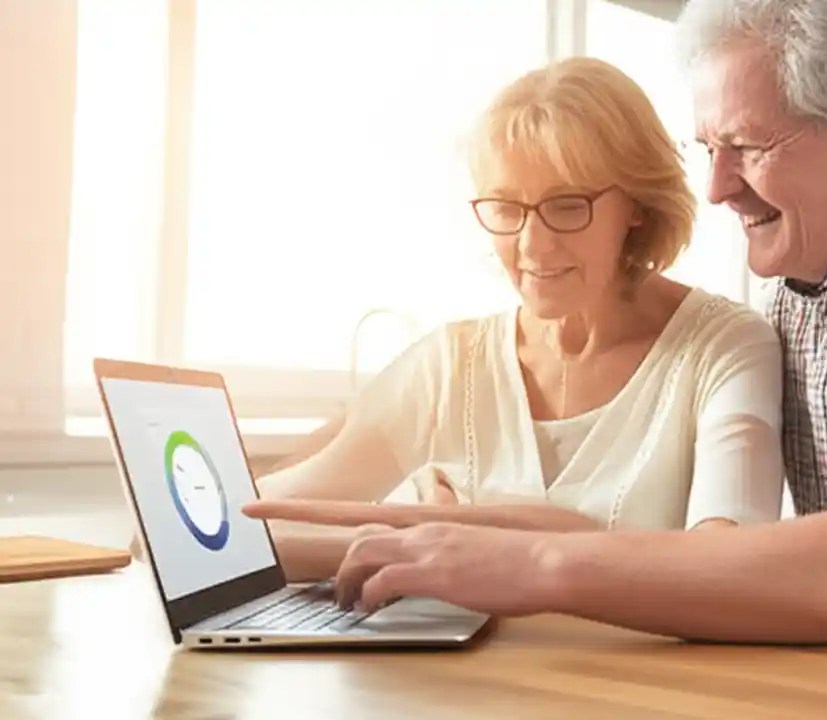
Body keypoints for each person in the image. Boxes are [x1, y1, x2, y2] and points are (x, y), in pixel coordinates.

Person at [246, 1, 827, 717]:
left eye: (744, 145)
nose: (712, 187)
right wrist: (498, 540)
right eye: (706, 146)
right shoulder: (800, 297)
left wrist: (537, 561)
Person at [247, 56, 787, 581]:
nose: (532, 245)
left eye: (567, 205)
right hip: (455, 677)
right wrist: (417, 538)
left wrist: (478, 533)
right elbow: (255, 525)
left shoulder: (726, 347)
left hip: (636, 678)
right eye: (507, 207)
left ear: (638, 206)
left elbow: (732, 567)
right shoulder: (450, 366)